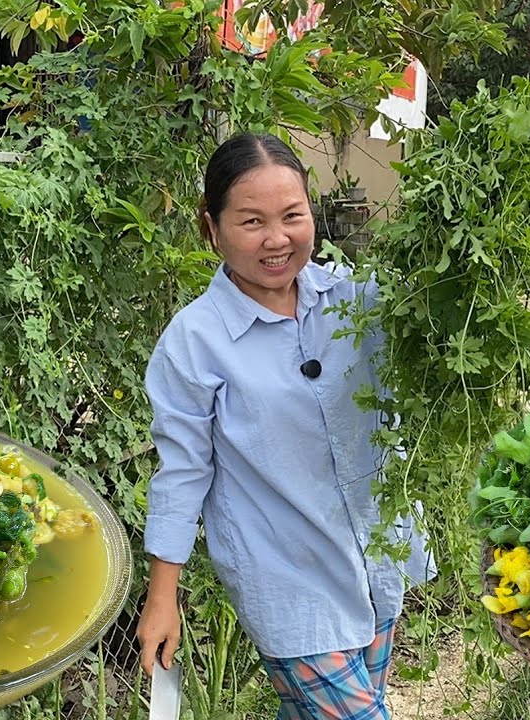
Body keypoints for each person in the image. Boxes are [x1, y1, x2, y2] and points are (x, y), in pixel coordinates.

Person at [135, 133, 431, 718]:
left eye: (293, 216)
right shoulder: (195, 341)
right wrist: (161, 597)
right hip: (289, 583)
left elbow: (429, 341)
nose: (277, 239)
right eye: (252, 221)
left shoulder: (356, 298)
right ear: (212, 228)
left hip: (375, 560)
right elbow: (182, 474)